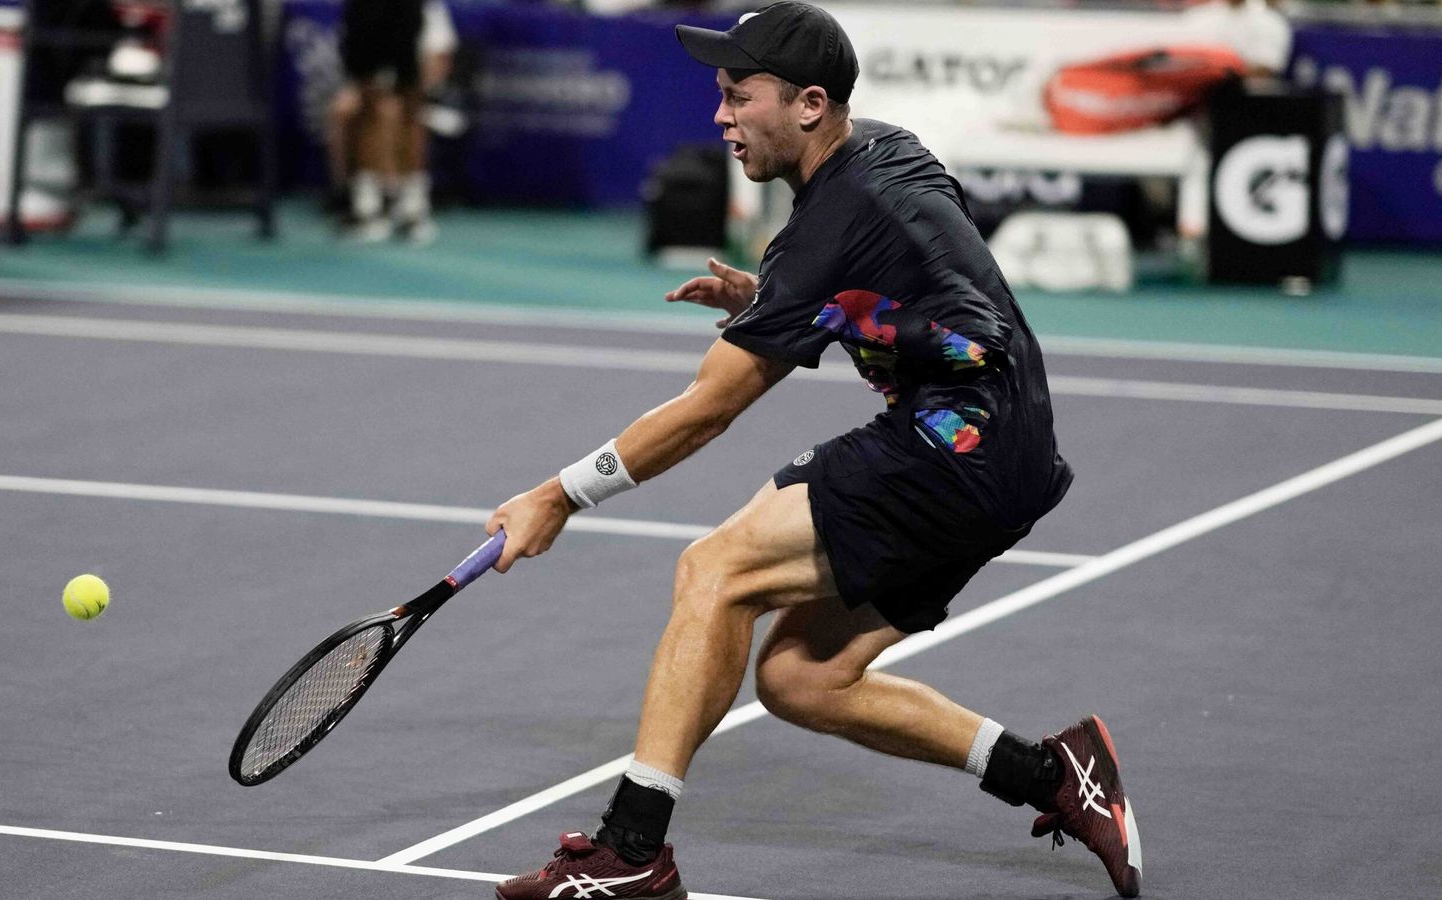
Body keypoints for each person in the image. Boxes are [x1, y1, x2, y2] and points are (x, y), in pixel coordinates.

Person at [485, 4, 1141, 898]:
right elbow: (921, 284)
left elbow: (709, 410)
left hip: (956, 445)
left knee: (714, 573)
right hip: (1012, 453)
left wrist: (557, 496)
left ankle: (632, 853)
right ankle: (1056, 775)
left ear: (809, 104)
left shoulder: (832, 221)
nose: (720, 118)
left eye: (738, 96)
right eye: (719, 95)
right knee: (803, 677)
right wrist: (778, 300)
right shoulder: (888, 150)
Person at [326, 0, 457, 243]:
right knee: (368, 101)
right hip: (367, 12)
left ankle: (413, 207)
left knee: (409, 105)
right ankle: (369, 207)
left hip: (404, 11)